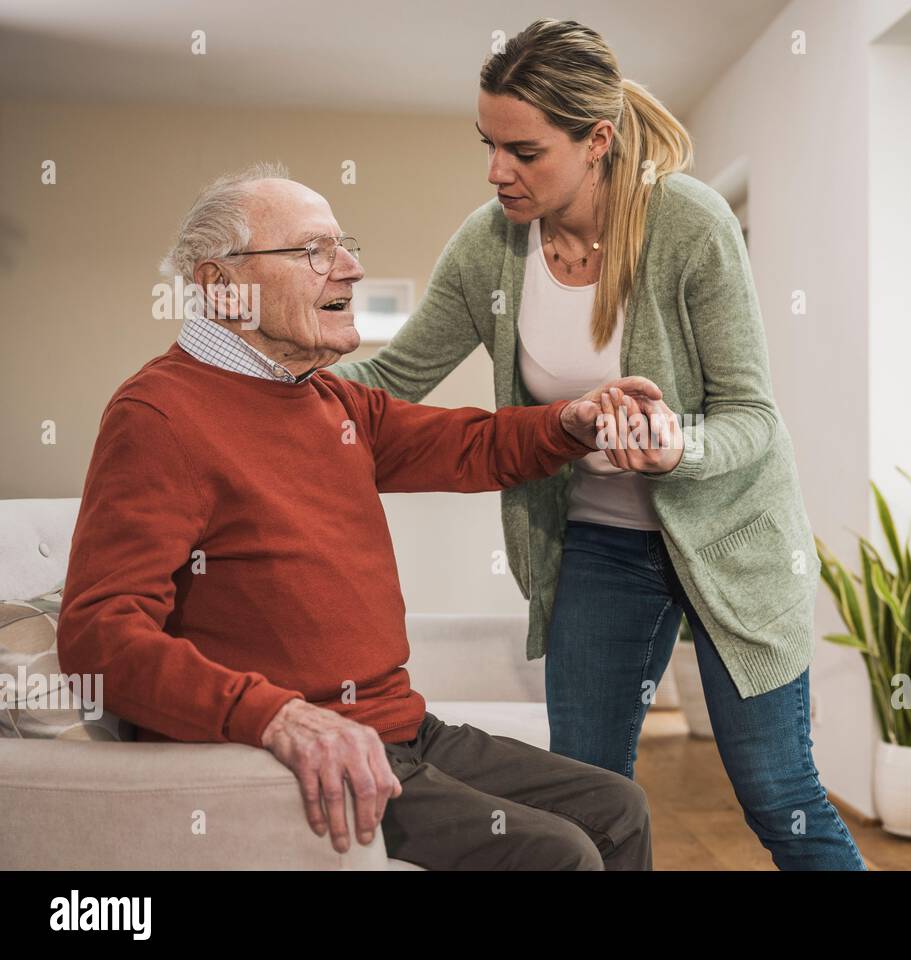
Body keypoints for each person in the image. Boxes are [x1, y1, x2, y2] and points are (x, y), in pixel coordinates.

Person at [329, 19, 866, 870]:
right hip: (598, 548)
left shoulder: (690, 225)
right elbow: (394, 379)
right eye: (488, 144)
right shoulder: (489, 247)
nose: (497, 170)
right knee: (588, 794)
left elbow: (753, 419)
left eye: (524, 150)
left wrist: (671, 446)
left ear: (597, 141)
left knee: (779, 794)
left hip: (729, 542)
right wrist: (262, 381)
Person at [57, 164, 665, 870]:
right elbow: (100, 635)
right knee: (554, 855)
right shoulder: (160, 415)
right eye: (315, 251)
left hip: (399, 730)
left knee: (617, 807)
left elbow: (470, 444)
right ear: (222, 287)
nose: (349, 268)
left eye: (345, 246)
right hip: (288, 759)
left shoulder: (330, 401)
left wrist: (574, 419)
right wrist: (275, 715)